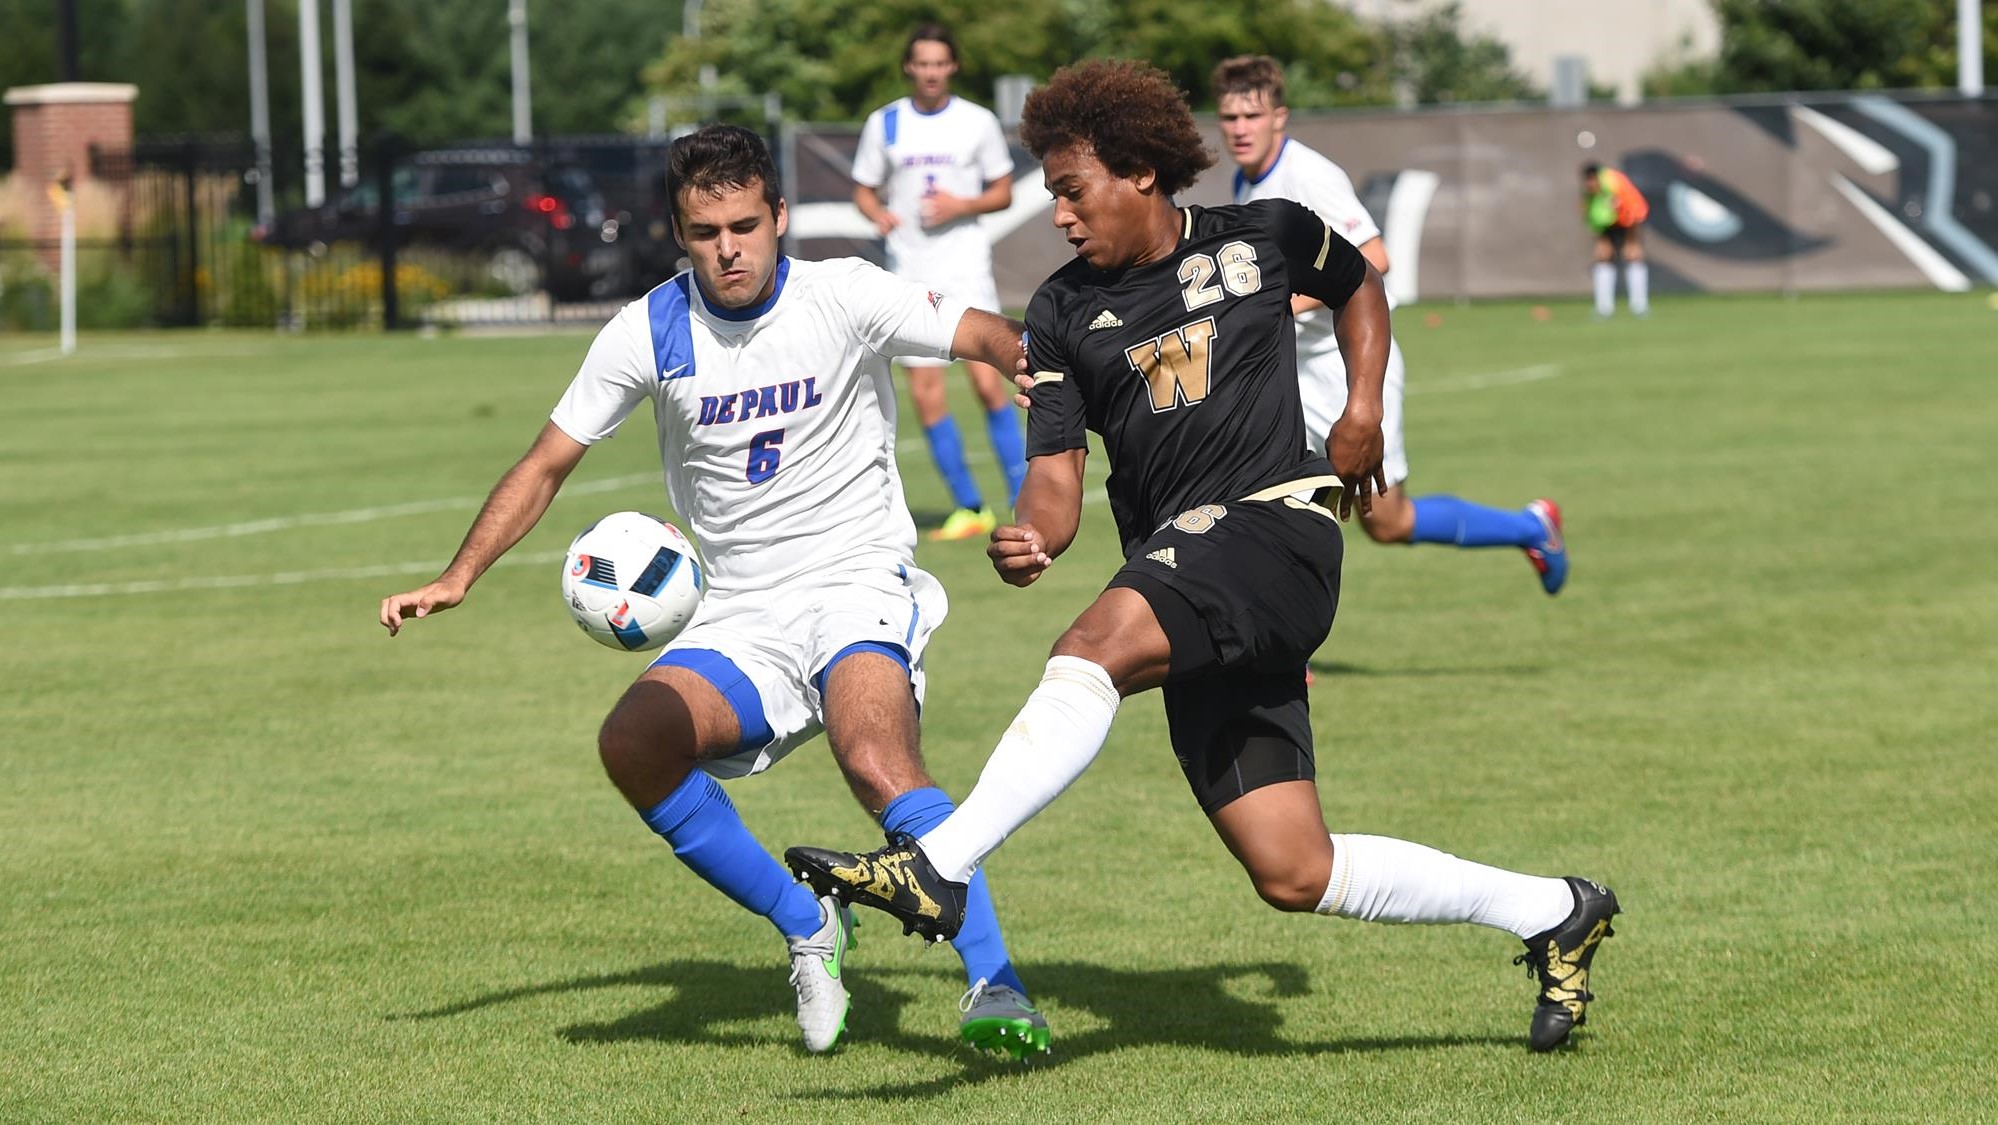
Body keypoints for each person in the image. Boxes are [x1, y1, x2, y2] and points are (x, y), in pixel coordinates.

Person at [788, 61, 1620, 1054]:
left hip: (1276, 527)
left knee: (1092, 644)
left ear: (1140, 171)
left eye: (1071, 190)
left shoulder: (1262, 234)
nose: (1057, 214)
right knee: (1292, 870)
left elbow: (1358, 287)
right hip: (1190, 578)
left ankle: (941, 863)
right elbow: (1055, 475)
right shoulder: (1057, 313)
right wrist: (1034, 536)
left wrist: (1359, 412)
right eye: (1050, 193)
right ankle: (1554, 910)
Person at [377, 125, 1048, 1059]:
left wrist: (1031, 372)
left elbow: (984, 332)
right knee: (634, 743)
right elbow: (545, 463)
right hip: (740, 608)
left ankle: (995, 981)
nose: (728, 248)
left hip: (857, 580)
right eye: (704, 231)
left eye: (744, 224)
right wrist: (459, 575)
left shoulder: (844, 295)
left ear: (778, 218)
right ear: (679, 233)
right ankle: (808, 921)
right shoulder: (650, 329)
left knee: (874, 759)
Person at [1214, 55, 1568, 594]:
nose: (1240, 129)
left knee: (1387, 521)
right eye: (1230, 118)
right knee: (1260, 497)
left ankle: (1530, 528)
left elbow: (1374, 257)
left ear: (1279, 117)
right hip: (1290, 375)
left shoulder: (1309, 175)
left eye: (1252, 117)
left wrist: (1284, 307)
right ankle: (1279, 660)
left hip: (1348, 365)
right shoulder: (1244, 180)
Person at [852, 22, 1027, 541]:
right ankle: (969, 509)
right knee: (926, 394)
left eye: (939, 63)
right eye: (921, 63)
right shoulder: (884, 124)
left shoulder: (977, 122)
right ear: (910, 68)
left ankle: (1023, 497)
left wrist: (961, 204)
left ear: (952, 67)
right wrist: (878, 215)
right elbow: (864, 189)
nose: (930, 72)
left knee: (989, 384)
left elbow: (1003, 191)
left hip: (965, 268)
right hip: (910, 272)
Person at [1581, 162, 1650, 319]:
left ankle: (1639, 306)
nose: (1590, 184)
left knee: (1633, 255)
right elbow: (1592, 216)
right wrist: (1601, 238)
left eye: (1592, 180)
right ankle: (1604, 307)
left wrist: (1631, 238)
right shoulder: (1589, 193)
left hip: (1628, 220)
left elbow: (1635, 210)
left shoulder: (1617, 185)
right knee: (1603, 257)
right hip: (1606, 223)